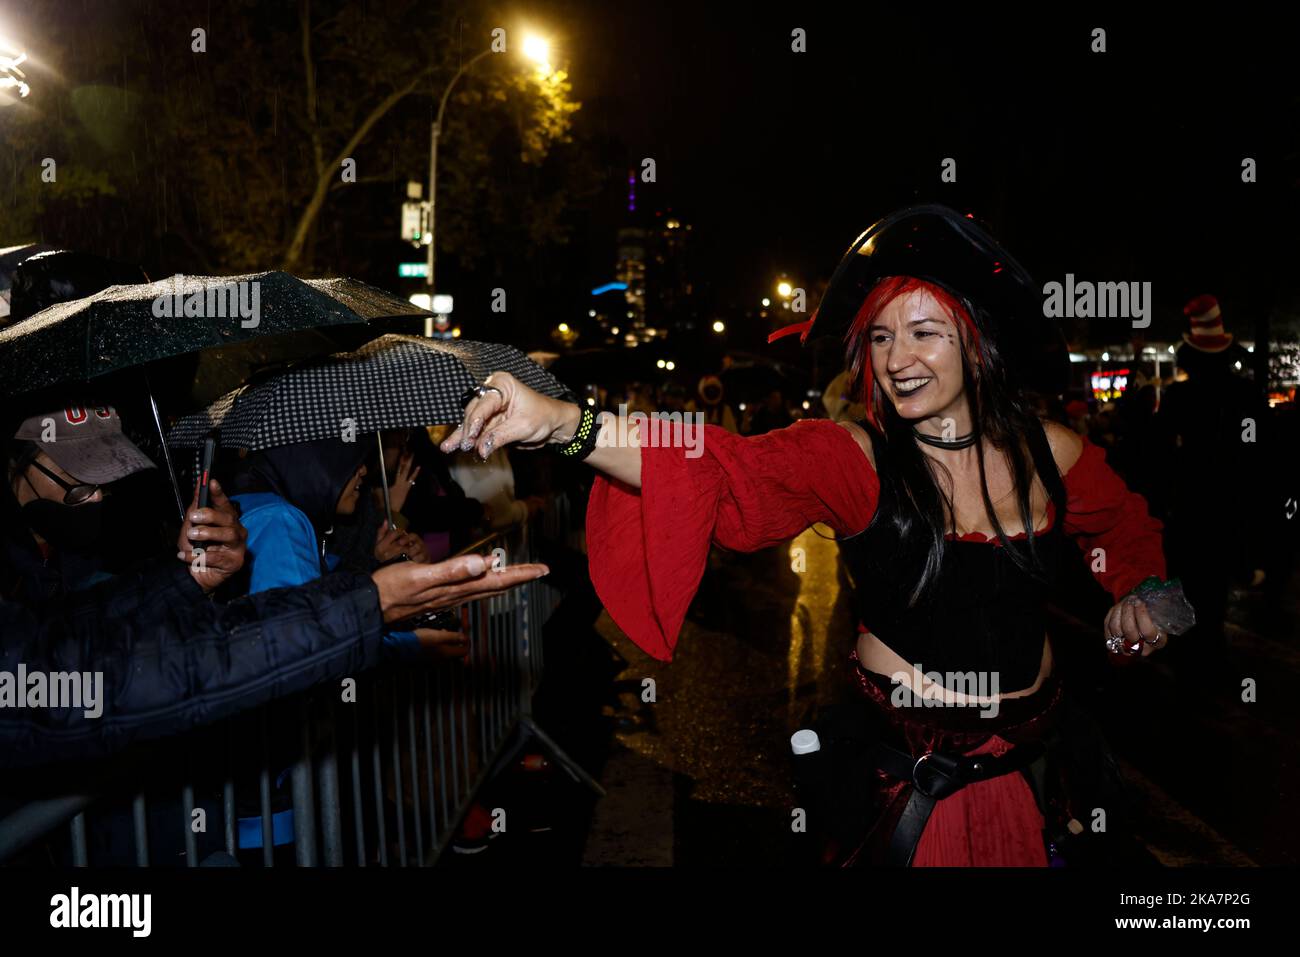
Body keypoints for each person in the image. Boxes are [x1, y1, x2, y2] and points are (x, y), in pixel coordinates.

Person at [441, 204, 1170, 867]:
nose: (895, 359)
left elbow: (1124, 525)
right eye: (881, 336)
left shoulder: (1054, 451)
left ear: (975, 339)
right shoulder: (851, 457)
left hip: (1038, 776)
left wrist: (1139, 590)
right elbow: (721, 466)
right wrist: (568, 424)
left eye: (924, 332)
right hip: (910, 793)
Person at [1154, 295, 1269, 689]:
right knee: (1215, 590)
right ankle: (1212, 656)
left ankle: (1190, 658)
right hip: (1228, 508)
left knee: (1188, 586)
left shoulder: (1178, 398)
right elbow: (1258, 459)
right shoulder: (1247, 396)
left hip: (1188, 509)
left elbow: (1159, 454)